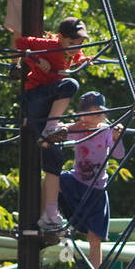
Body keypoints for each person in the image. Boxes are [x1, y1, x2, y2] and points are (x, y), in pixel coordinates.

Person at [13, 17, 89, 234]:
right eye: (74, 41)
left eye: (81, 42)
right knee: (70, 84)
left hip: (47, 106)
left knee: (54, 156)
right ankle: (50, 127)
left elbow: (78, 58)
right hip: (35, 99)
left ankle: (50, 214)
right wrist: (36, 60)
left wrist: (83, 60)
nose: (78, 46)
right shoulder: (50, 46)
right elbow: (20, 43)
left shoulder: (73, 51)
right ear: (62, 38)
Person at [55, 93, 125, 269]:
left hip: (96, 188)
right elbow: (58, 135)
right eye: (90, 113)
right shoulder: (80, 129)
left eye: (99, 112)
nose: (96, 116)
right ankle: (52, 216)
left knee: (95, 239)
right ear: (82, 114)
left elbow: (119, 155)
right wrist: (67, 127)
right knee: (54, 180)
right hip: (78, 180)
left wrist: (116, 138)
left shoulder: (105, 131)